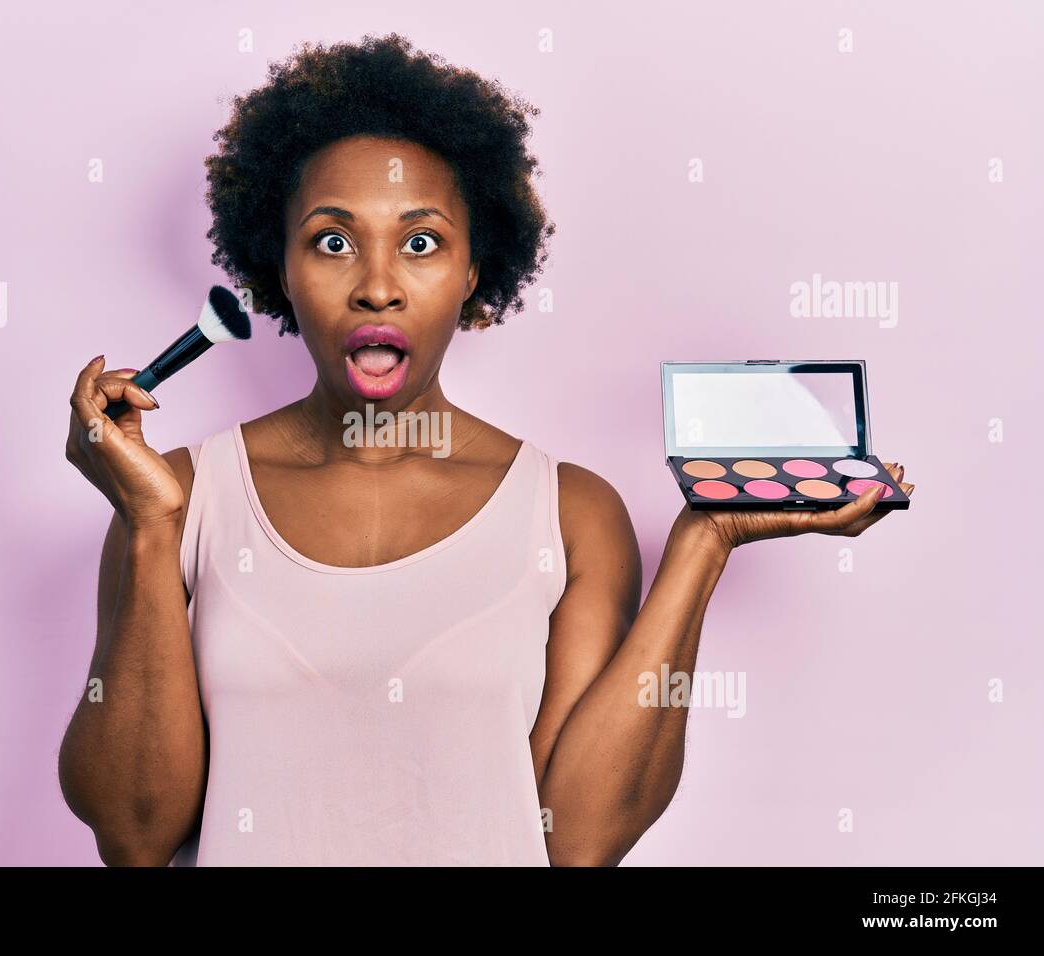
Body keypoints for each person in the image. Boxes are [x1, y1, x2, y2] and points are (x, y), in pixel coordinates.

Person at [57, 33, 914, 867]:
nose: (378, 284)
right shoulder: (176, 498)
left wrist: (705, 541)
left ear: (474, 270)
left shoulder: (569, 512)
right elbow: (134, 837)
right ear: (278, 268)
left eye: (422, 242)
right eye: (331, 240)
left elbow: (577, 841)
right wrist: (148, 526)